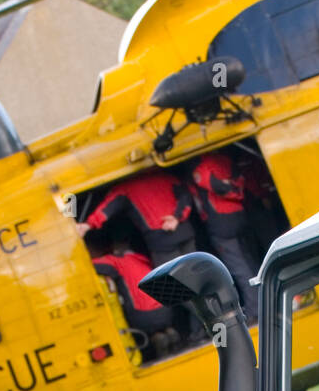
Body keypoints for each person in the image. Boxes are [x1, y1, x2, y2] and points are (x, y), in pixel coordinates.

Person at [189, 150, 259, 323]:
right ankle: (266, 301)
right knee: (250, 262)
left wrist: (227, 188)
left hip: (221, 222)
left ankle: (254, 310)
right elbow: (239, 181)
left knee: (239, 268)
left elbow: (218, 187)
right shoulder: (224, 158)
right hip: (239, 215)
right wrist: (234, 190)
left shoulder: (202, 168)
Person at [75, 170, 197, 270]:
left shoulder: (126, 188)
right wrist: (177, 218)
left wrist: (88, 225)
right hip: (185, 232)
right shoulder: (165, 176)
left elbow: (107, 209)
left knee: (174, 285)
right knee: (195, 273)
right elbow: (185, 197)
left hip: (162, 240)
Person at [91, 245, 180, 360]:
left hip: (143, 316)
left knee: (129, 316)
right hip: (165, 309)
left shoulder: (114, 261)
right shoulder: (140, 258)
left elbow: (89, 266)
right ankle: (169, 331)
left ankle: (156, 337)